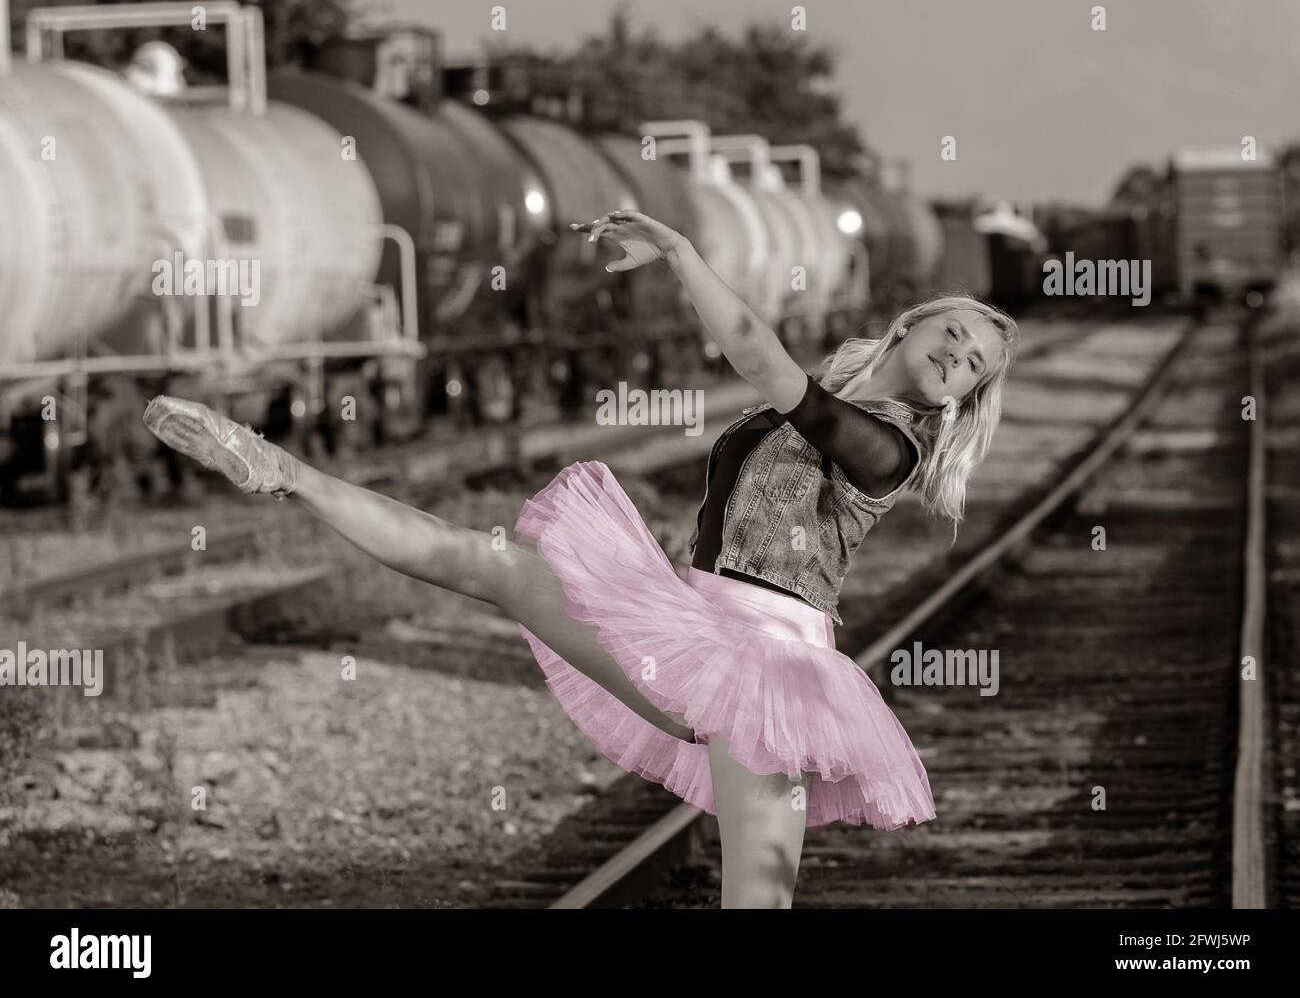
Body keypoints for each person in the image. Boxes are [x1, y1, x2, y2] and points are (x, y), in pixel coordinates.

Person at [143, 210, 1019, 908]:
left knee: (756, 898)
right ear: (915, 322)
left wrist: (679, 249)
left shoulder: (889, 449)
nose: (956, 356)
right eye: (954, 334)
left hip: (768, 669)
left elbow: (755, 350)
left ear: (960, 401)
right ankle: (281, 468)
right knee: (483, 563)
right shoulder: (841, 401)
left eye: (972, 365)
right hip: (682, 620)